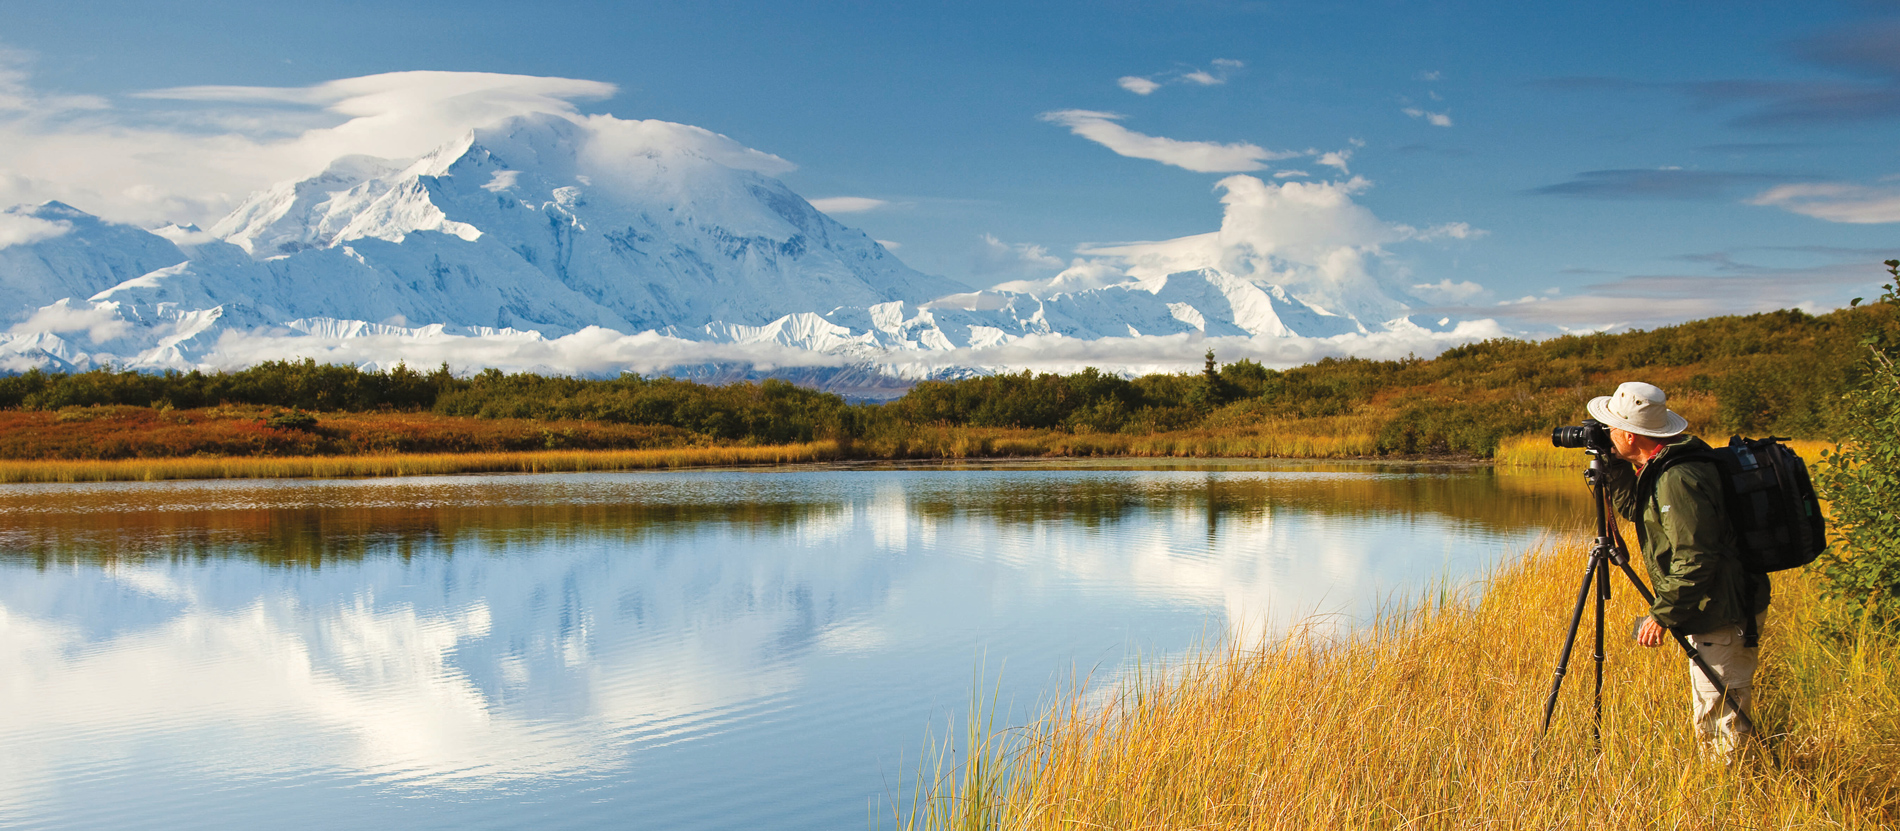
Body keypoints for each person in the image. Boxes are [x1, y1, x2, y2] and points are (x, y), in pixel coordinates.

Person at [1591, 381, 1771, 760]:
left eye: (1610, 428)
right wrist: (1615, 467)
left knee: (1722, 716)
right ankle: (1727, 789)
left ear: (1628, 433)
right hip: (1712, 606)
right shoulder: (1662, 465)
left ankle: (1733, 798)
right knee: (1715, 709)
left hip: (1722, 610)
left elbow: (1696, 556)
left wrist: (1663, 613)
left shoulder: (1678, 478)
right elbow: (1637, 513)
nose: (1606, 434)